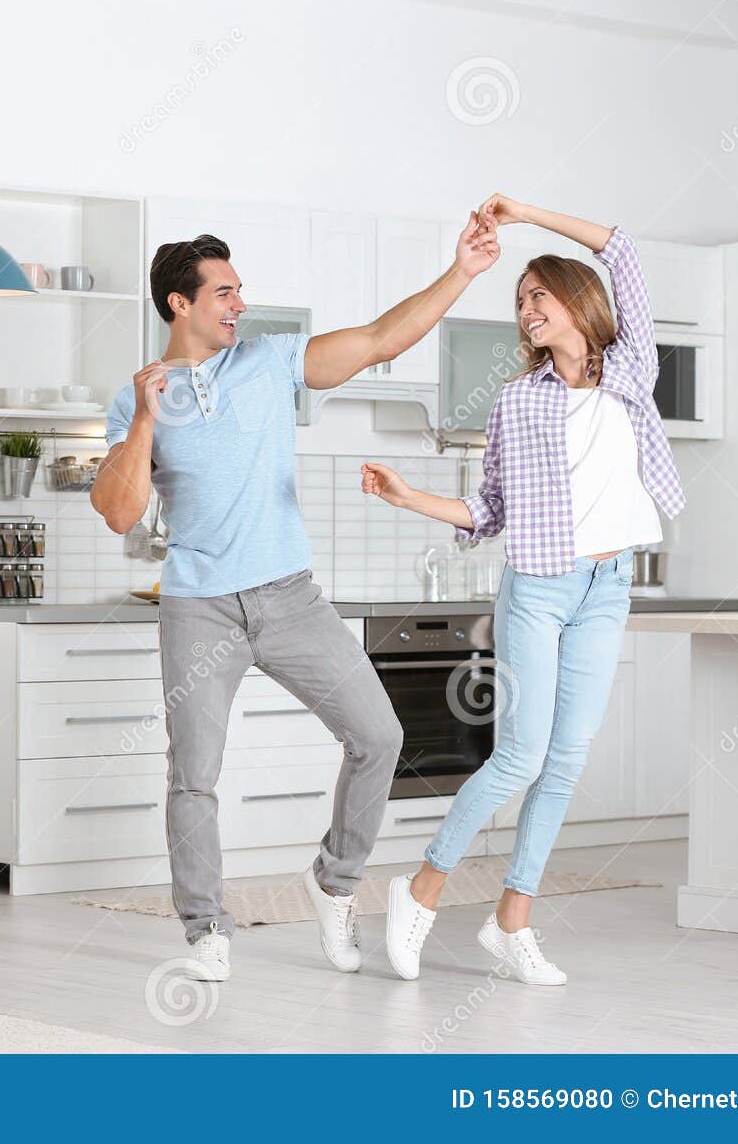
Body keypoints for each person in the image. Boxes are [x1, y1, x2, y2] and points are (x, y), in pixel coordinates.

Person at [92, 215, 500, 982]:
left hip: (290, 597)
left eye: (240, 290)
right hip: (198, 606)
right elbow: (118, 510)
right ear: (179, 304)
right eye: (223, 292)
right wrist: (147, 417)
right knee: (194, 775)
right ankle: (207, 926)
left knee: (379, 736)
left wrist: (464, 273)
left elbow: (382, 337)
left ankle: (334, 881)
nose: (238, 304)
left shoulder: (272, 361)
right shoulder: (135, 399)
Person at [361, 195, 685, 986]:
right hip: (539, 587)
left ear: (576, 303)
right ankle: (422, 888)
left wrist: (526, 214)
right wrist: (410, 498)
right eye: (519, 301)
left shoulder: (632, 370)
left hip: (609, 586)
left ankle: (512, 921)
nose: (525, 309)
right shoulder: (518, 399)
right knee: (521, 755)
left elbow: (625, 244)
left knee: (565, 762)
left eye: (537, 294)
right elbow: (490, 509)